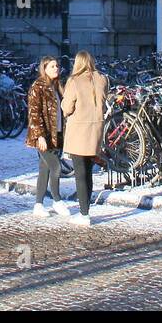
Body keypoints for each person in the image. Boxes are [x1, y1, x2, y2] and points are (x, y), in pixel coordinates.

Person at [61, 50, 108, 226]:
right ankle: (86, 209)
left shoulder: (74, 81)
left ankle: (84, 213)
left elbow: (66, 107)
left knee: (80, 174)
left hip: (79, 130)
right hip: (95, 129)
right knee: (88, 173)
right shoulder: (102, 79)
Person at [26, 55, 70, 217]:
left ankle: (38, 204)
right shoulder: (38, 87)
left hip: (56, 133)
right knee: (56, 167)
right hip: (44, 136)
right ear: (44, 69)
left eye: (57, 66)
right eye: (52, 66)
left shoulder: (57, 85)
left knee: (44, 169)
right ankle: (57, 200)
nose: (56, 68)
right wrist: (39, 136)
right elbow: (34, 113)